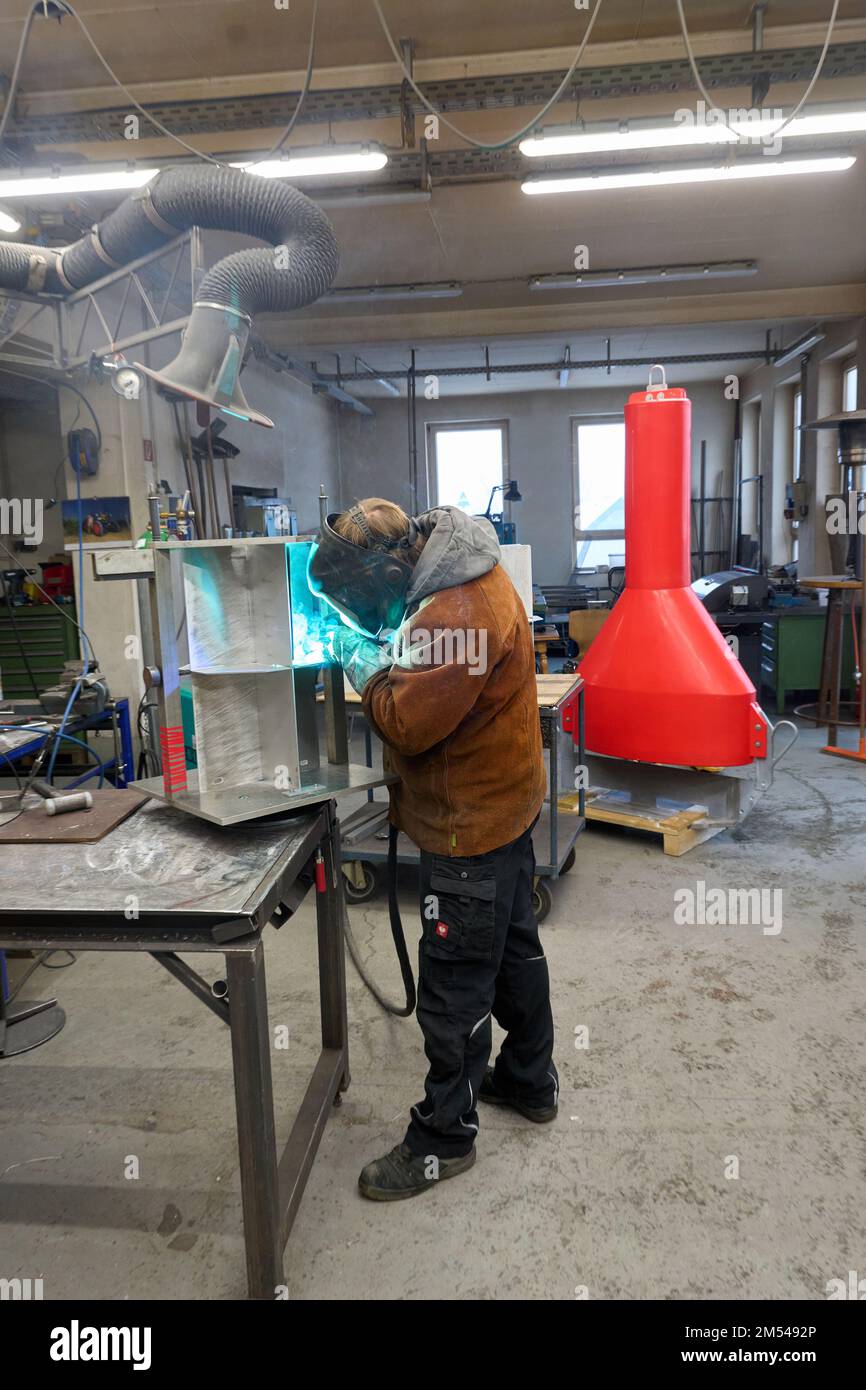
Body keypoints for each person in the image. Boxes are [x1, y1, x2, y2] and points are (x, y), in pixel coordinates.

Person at [308, 497, 557, 1201]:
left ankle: (444, 1139)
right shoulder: (463, 570)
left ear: (391, 566)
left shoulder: (455, 614)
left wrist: (363, 662)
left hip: (468, 830)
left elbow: (405, 722)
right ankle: (530, 1080)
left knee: (452, 987)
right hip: (501, 811)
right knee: (513, 953)